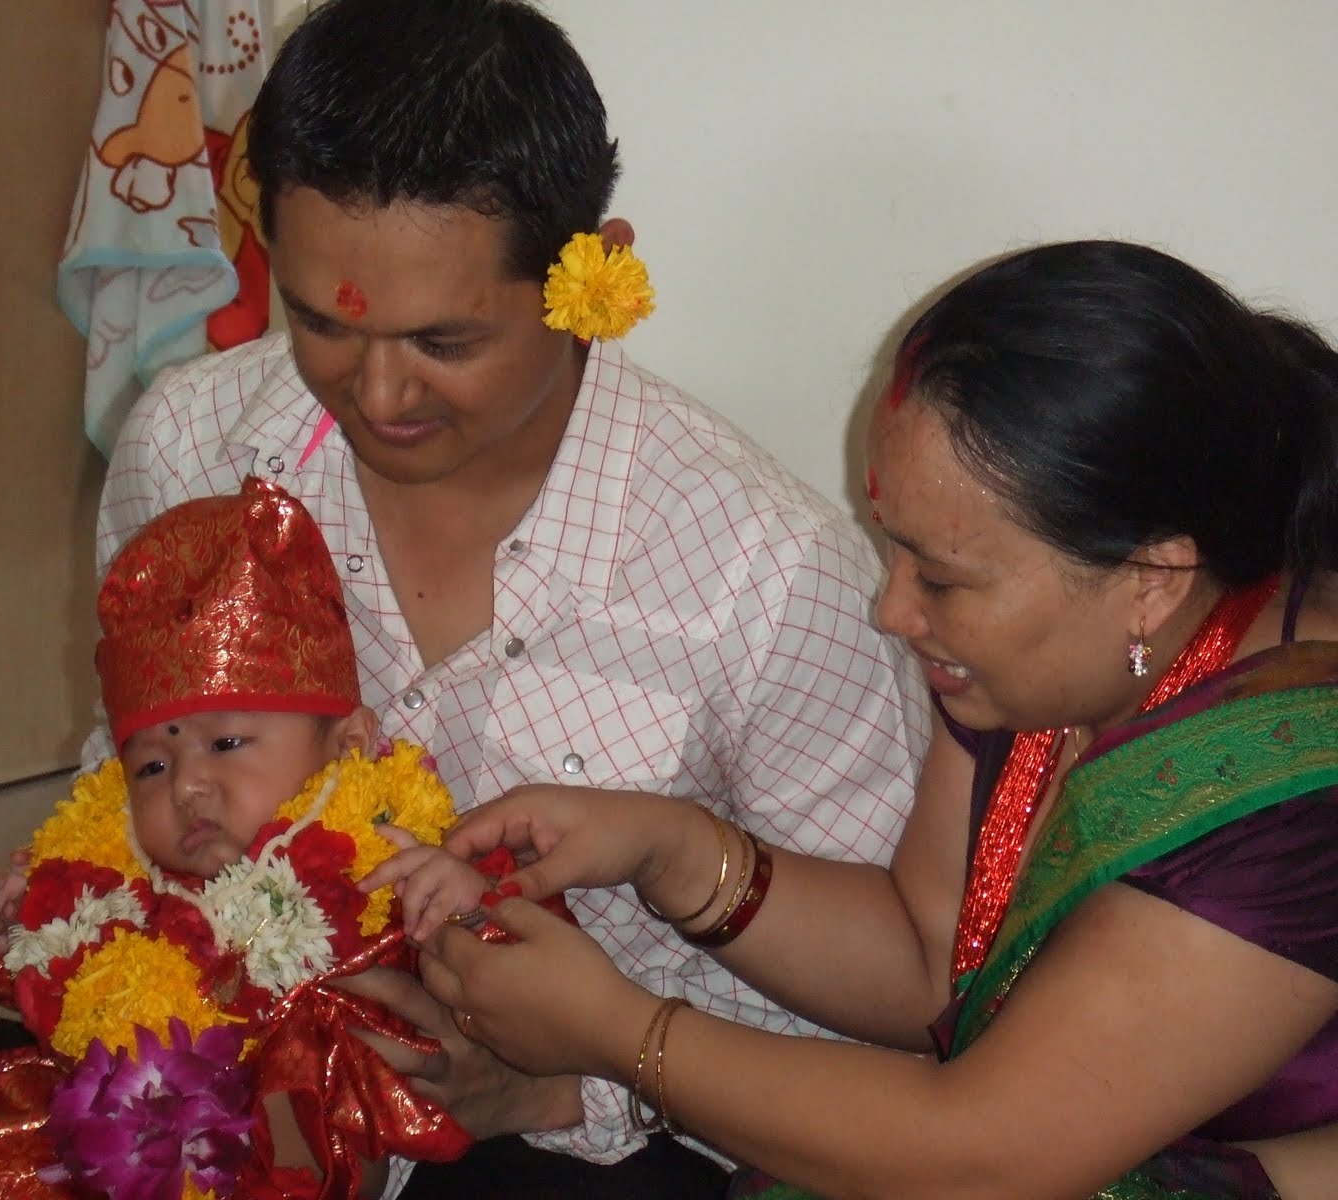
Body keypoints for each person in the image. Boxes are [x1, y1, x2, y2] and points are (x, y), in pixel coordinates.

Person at [88, 0, 928, 1195]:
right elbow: (131, 762)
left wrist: (572, 1085)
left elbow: (892, 1008)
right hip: (230, 1075)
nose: (376, 392)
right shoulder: (195, 443)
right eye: (321, 322)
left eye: (447, 340)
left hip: (613, 1139)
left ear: (593, 273)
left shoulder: (766, 575)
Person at [393, 239, 1338, 1199]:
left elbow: (983, 1155)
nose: (893, 612)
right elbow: (924, 961)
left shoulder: (1297, 788)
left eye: (940, 576)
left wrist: (617, 1035)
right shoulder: (1049, 668)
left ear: (1150, 579)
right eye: (893, 551)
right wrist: (666, 847)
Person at [0, 478, 496, 1199]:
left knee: (308, 1064)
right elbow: (73, 997)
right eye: (152, 766)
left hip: (338, 1138)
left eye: (226, 741)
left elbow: (492, 963)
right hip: (151, 1138)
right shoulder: (124, 877)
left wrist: (468, 905)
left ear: (348, 743)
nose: (186, 785)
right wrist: (16, 939)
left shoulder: (386, 845)